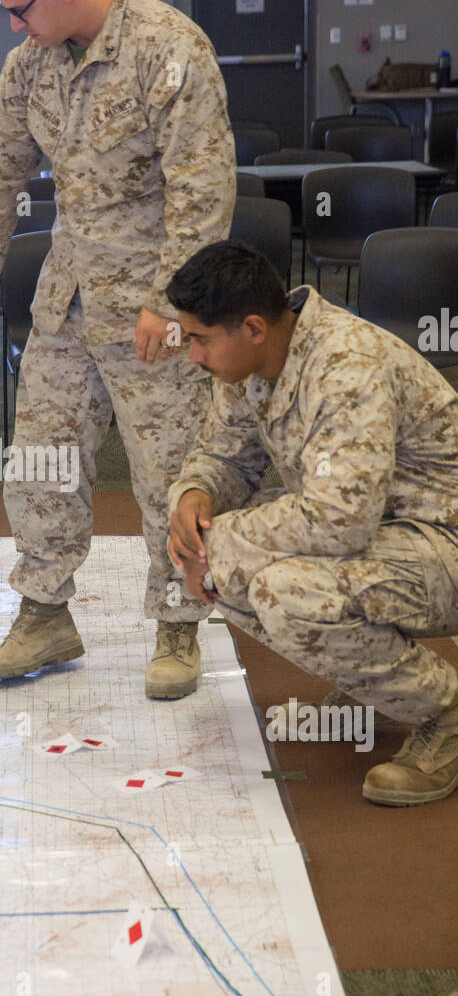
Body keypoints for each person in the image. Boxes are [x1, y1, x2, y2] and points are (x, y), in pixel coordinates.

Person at [0, 0, 235, 698]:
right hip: (68, 298)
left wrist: (172, 303)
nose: (13, 27)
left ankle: (177, 622)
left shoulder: (170, 49)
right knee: (42, 459)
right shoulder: (30, 67)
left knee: (167, 468)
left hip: (155, 306)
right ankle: (44, 613)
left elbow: (203, 195)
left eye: (19, 9)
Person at [165, 239, 458, 806]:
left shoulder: (346, 365)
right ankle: (376, 678)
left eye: (200, 339)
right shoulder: (255, 361)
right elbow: (224, 456)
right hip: (389, 535)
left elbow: (338, 521)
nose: (192, 355)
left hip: (442, 541)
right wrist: (193, 498)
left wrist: (218, 544)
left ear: (252, 327)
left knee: (280, 591)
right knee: (217, 557)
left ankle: (445, 713)